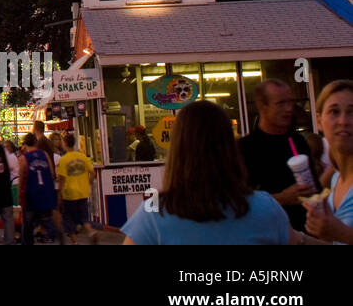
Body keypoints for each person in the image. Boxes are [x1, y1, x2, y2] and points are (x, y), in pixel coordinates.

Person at [123, 99, 307, 245]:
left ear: (177, 152)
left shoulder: (154, 214)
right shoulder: (265, 209)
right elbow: (299, 241)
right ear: (230, 148)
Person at [239, 78, 318, 231]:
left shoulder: (298, 142)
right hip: (266, 233)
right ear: (262, 106)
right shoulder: (245, 148)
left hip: (306, 231)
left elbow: (315, 187)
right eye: (281, 103)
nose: (289, 109)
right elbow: (239, 202)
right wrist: (281, 198)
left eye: (291, 102)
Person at [305, 80, 353, 244]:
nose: (343, 121)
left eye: (352, 112)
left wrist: (339, 232)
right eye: (334, 112)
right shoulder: (335, 180)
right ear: (319, 121)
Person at [19, 134, 60, 245]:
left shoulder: (23, 158)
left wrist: (19, 195)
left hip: (31, 194)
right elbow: (52, 173)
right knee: (46, 219)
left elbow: (21, 179)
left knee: (27, 223)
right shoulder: (45, 154)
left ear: (25, 144)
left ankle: (28, 242)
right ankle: (56, 237)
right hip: (45, 193)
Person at [55, 132, 96, 244]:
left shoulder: (63, 160)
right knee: (84, 218)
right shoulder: (82, 156)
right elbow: (92, 173)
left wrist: (59, 194)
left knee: (68, 219)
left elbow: (62, 179)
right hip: (83, 192)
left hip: (69, 194)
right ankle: (91, 232)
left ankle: (74, 242)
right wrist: (88, 183)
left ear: (65, 144)